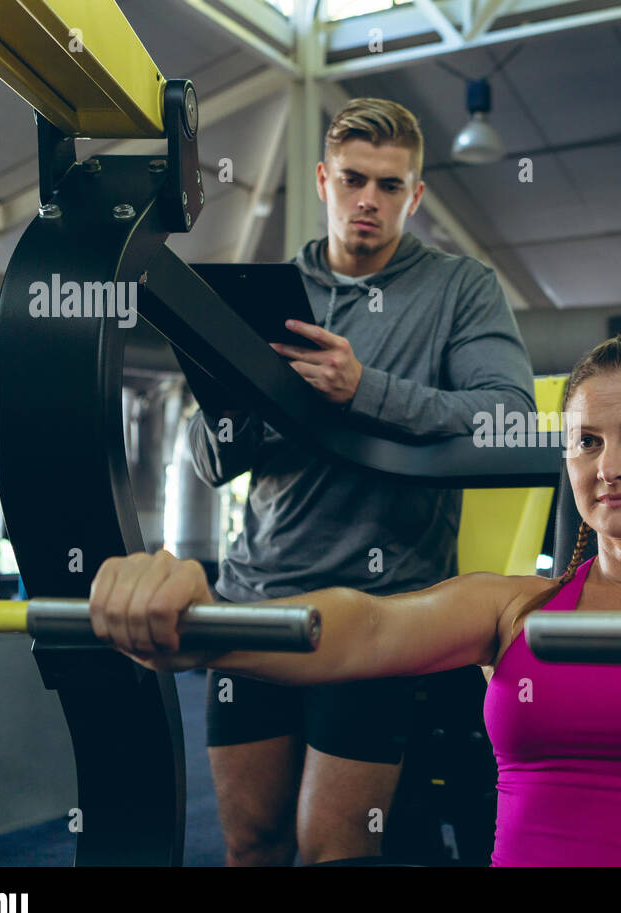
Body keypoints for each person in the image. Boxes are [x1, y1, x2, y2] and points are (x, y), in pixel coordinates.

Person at [95, 333, 621, 866]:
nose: (609, 466)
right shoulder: (515, 610)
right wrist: (203, 632)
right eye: (587, 442)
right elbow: (365, 629)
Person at [182, 97, 536, 865]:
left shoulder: (459, 289)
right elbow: (207, 459)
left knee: (333, 849)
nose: (368, 200)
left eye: (389, 185)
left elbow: (506, 417)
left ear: (414, 194)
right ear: (322, 180)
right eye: (353, 180)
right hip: (254, 601)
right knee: (250, 843)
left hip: (380, 617)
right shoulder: (261, 298)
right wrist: (261, 402)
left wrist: (361, 388)